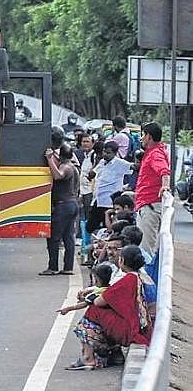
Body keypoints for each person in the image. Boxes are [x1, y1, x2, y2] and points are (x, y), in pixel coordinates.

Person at [66, 245, 152, 370]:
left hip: (131, 329)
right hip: (138, 326)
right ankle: (112, 353)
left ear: (122, 261)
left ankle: (88, 358)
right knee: (104, 312)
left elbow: (99, 302)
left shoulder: (128, 279)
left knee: (94, 311)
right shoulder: (137, 276)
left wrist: (90, 298)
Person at [41, 143, 79, 275]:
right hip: (72, 204)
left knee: (54, 237)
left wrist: (49, 159)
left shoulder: (66, 167)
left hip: (64, 205)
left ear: (60, 156)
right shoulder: (74, 167)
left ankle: (53, 267)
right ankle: (68, 267)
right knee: (68, 237)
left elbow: (58, 175)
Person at [134, 122, 171, 256]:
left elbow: (164, 171)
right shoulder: (155, 152)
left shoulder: (155, 154)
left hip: (149, 206)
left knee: (146, 249)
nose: (141, 138)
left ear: (149, 136)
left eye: (143, 135)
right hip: (147, 204)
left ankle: (147, 276)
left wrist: (165, 185)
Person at [87, 141, 131, 233]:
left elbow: (134, 167)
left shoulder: (120, 163)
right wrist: (96, 162)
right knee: (90, 226)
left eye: (108, 153)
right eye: (104, 152)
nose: (105, 154)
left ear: (114, 153)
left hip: (109, 201)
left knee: (109, 227)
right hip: (98, 200)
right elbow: (91, 174)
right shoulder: (102, 162)